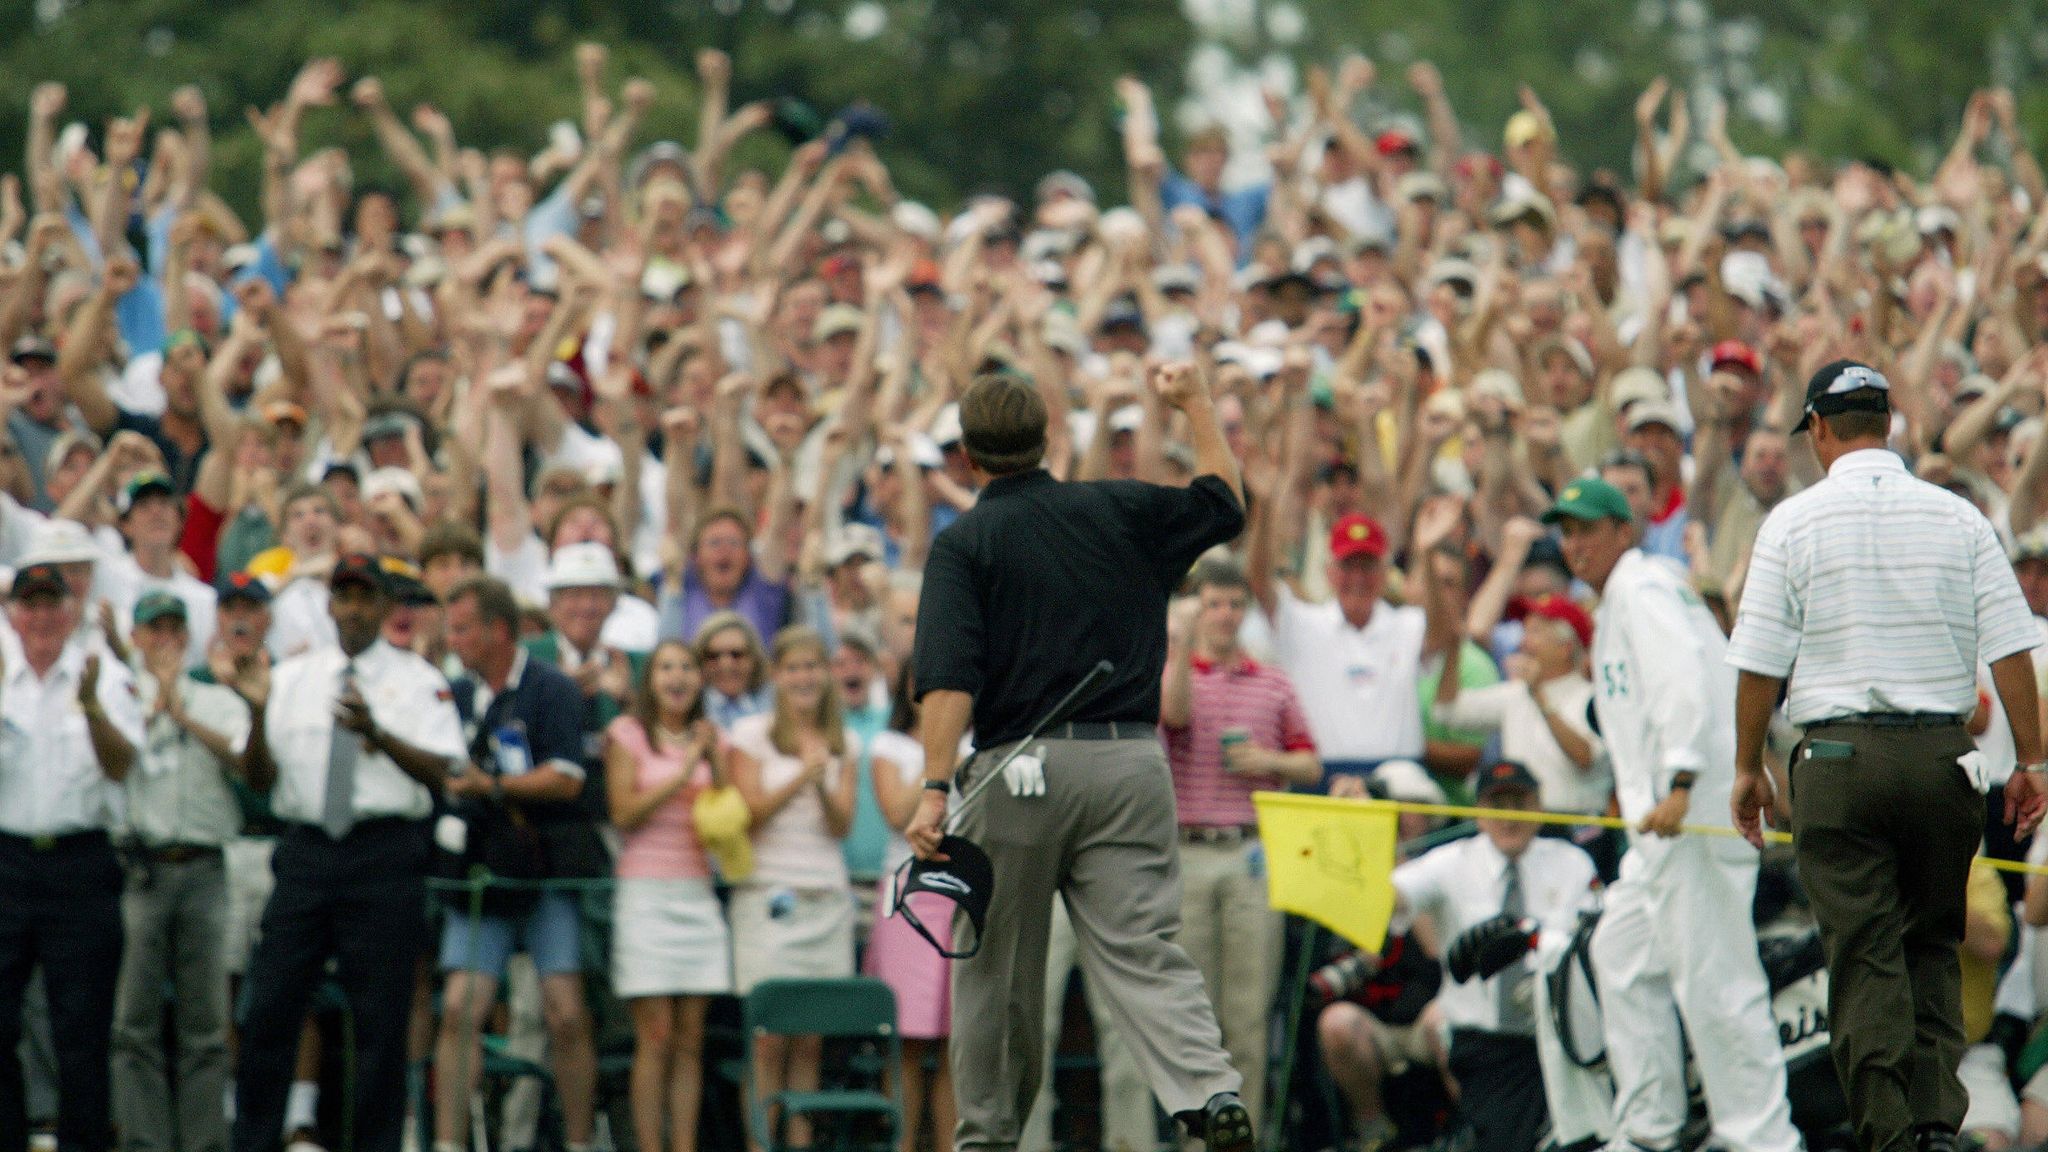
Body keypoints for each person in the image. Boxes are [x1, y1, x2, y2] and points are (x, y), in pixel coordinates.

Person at [907, 365, 1255, 1152]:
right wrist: (1195, 402)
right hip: (1131, 763)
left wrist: (934, 788)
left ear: (967, 455)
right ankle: (1207, 1090)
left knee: (999, 972)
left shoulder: (966, 542)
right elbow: (1225, 503)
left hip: (1018, 769)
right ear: (1049, 438)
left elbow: (950, 679)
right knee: (1143, 949)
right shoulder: (1118, 504)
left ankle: (990, 1139)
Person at [1727, 361, 2048, 1152]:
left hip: (1837, 758)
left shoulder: (1792, 522)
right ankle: (1938, 1124)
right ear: (1889, 425)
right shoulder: (1960, 518)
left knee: (1863, 953)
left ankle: (1890, 1138)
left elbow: (1758, 659)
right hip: (1943, 757)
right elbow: (2012, 646)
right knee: (1932, 941)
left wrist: (1747, 766)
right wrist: (2033, 763)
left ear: (1820, 429)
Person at [1541, 477, 1801, 1152]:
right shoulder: (1637, 592)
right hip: (1660, 828)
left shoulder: (1641, 589)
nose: (1574, 546)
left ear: (1623, 531)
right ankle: (1649, 1129)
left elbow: (1683, 680)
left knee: (1717, 980)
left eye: (1586, 529)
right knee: (1620, 952)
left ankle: (1764, 1139)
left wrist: (1682, 780)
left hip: (1689, 815)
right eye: (1566, 532)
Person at [232, 554, 465, 1152]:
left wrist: (379, 735)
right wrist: (257, 713)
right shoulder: (291, 676)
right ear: (331, 605)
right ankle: (256, 1139)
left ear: (387, 607)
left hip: (382, 853)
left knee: (381, 1020)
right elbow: (256, 779)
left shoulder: (419, 679)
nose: (354, 609)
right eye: (344, 596)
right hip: (308, 849)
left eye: (366, 598)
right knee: (271, 1006)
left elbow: (446, 772)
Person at [434, 575, 607, 1152]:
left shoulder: (552, 690)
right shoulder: (455, 695)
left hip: (544, 870)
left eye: (462, 629)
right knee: (460, 1009)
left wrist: (494, 785)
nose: (452, 640)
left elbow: (568, 777)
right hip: (479, 873)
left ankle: (579, 1143)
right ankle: (449, 1144)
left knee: (565, 1013)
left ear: (498, 631)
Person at [1160, 556, 1321, 1129]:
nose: (1224, 616)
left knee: (1249, 1013)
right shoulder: (1178, 673)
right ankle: (1196, 1138)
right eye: (1214, 604)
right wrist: (1179, 645)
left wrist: (1266, 760)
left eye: (1233, 604)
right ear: (1197, 608)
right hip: (1190, 849)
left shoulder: (1274, 682)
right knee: (1193, 1017)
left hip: (1252, 851)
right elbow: (1171, 715)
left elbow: (1309, 761)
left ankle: (1244, 1135)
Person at [0, 561, 144, 1152]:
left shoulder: (103, 675)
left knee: (80, 1031)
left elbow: (122, 765)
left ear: (70, 611)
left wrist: (89, 708)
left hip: (79, 863)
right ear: (13, 613)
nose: (40, 617)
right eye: (28, 605)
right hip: (5, 863)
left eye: (50, 605)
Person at [1386, 762, 1600, 1152]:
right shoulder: (1450, 860)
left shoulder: (1572, 863)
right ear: (1479, 813)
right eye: (1497, 804)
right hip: (1485, 1047)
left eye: (1520, 802)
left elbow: (1586, 946)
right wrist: (1365, 833)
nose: (1509, 816)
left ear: (1538, 807)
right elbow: (1394, 895)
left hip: (1559, 1037)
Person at [113, 590, 254, 1152]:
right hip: (141, 865)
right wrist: (155, 707)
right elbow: (116, 762)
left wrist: (182, 712)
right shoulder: (119, 695)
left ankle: (203, 1143)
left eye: (174, 630)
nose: (165, 640)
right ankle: (144, 1140)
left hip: (203, 866)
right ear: (137, 639)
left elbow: (245, 762)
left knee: (206, 1024)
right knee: (134, 1021)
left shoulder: (214, 699)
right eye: (155, 631)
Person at [725, 625, 859, 1151]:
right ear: (777, 676)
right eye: (794, 667)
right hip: (767, 896)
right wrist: (803, 776)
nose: (805, 677)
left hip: (827, 893)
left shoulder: (843, 740)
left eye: (813, 666)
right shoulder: (751, 733)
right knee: (767, 1040)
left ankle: (799, 1144)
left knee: (810, 1041)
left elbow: (842, 826)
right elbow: (750, 815)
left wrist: (822, 780)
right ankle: (761, 1145)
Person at [604, 639, 731, 1152]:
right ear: (649, 680)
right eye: (665, 668)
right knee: (654, 1034)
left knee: (690, 1039)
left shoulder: (708, 737)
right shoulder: (626, 733)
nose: (677, 677)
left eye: (686, 667)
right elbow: (623, 813)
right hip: (646, 893)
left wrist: (710, 757)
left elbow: (729, 810)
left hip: (697, 890)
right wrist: (682, 772)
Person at [862, 665, 958, 1152]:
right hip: (907, 899)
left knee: (954, 1044)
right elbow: (899, 814)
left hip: (962, 898)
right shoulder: (890, 745)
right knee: (908, 1038)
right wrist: (940, 760)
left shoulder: (982, 744)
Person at [694, 610, 773, 731]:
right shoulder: (688, 707)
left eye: (736, 654)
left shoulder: (777, 702)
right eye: (713, 656)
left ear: (754, 658)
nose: (726, 664)